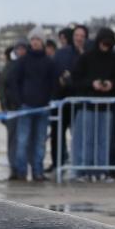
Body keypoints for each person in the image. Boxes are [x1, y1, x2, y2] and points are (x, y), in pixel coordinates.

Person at [71, 27, 115, 180]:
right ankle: (83, 171)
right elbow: (76, 80)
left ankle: (101, 170)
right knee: (86, 140)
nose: (105, 47)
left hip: (106, 107)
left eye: (109, 44)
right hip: (87, 105)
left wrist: (111, 84)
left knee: (103, 141)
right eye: (103, 43)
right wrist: (91, 84)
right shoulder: (86, 58)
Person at [10, 28, 58, 181]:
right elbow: (14, 81)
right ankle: (21, 172)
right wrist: (19, 101)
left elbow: (53, 83)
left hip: (43, 107)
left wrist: (49, 99)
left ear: (43, 42)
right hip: (26, 107)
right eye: (33, 39)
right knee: (22, 141)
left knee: (40, 142)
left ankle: (38, 171)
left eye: (38, 39)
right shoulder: (22, 61)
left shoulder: (49, 62)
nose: (35, 42)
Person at [51, 25, 87, 170]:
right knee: (58, 135)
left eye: (81, 36)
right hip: (62, 100)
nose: (79, 39)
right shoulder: (61, 54)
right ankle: (58, 164)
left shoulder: (87, 53)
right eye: (76, 36)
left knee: (79, 136)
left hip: (79, 101)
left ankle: (78, 164)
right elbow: (57, 74)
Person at [0, 42, 26, 179]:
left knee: (21, 141)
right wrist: (5, 107)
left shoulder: (26, 65)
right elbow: (2, 88)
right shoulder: (9, 68)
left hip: (25, 108)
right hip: (12, 109)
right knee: (13, 141)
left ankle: (21, 169)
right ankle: (15, 169)